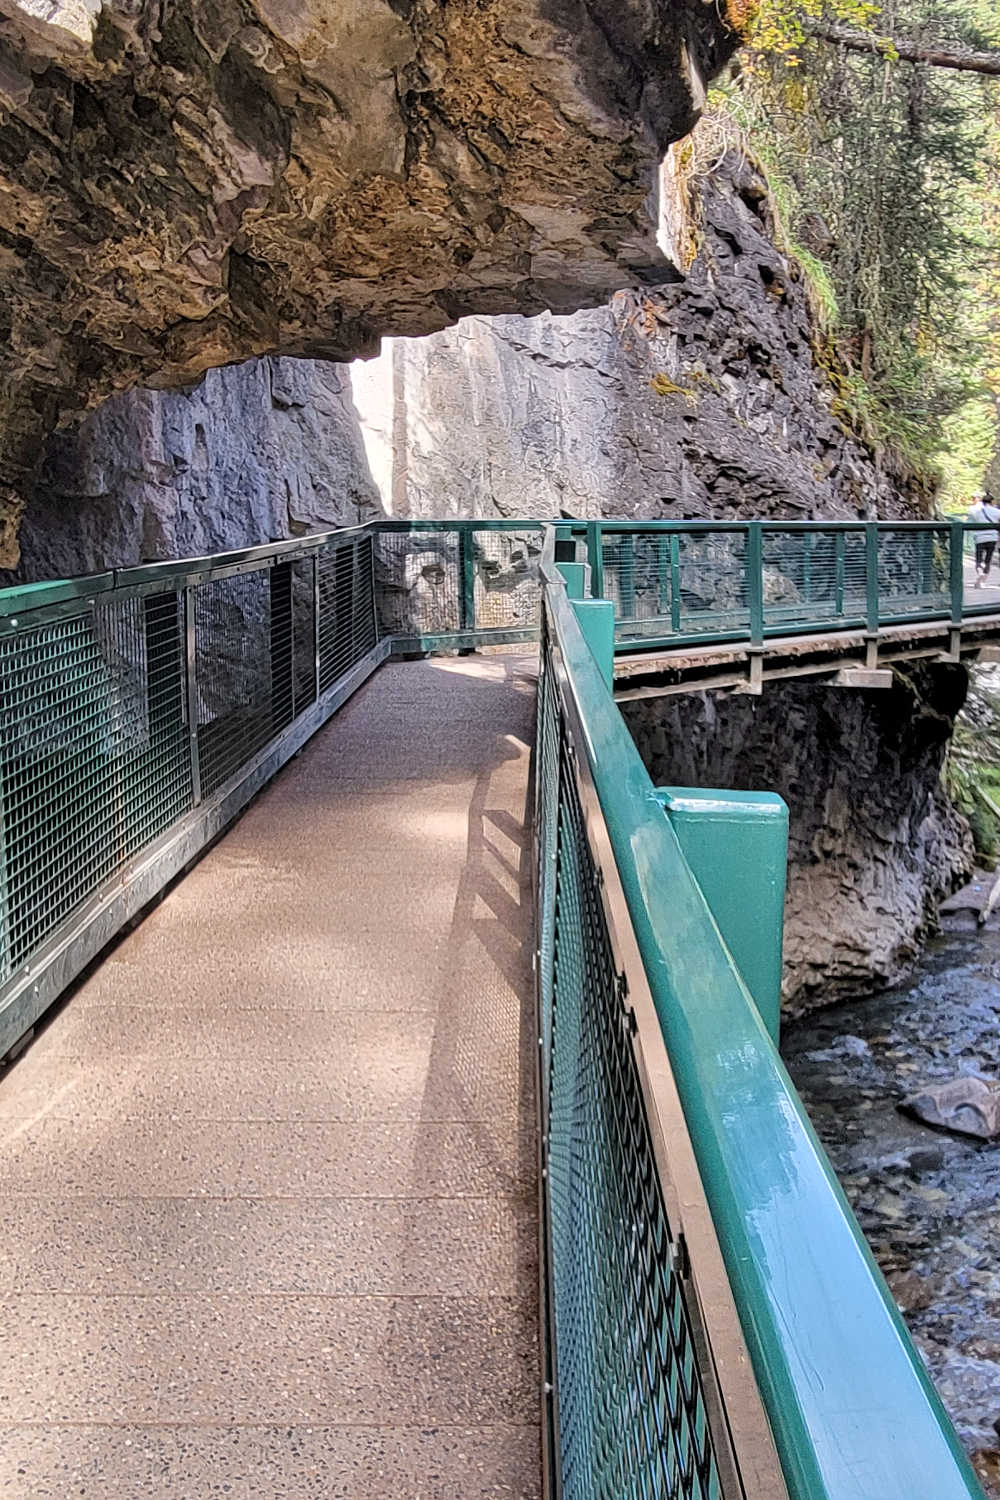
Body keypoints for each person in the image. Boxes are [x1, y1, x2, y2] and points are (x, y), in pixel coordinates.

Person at [968, 494, 1000, 586]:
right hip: (992, 537)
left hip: (980, 537)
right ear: (992, 502)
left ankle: (979, 572)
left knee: (978, 559)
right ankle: (983, 581)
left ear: (982, 502)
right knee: (988, 559)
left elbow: (973, 520)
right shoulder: (997, 512)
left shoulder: (977, 512)